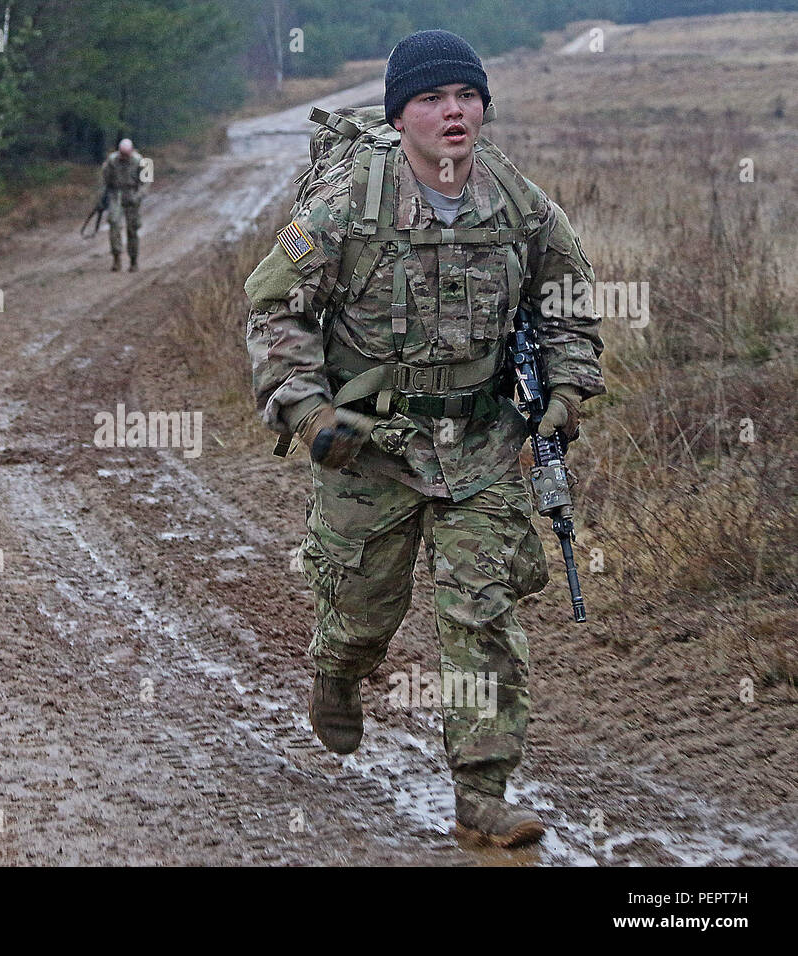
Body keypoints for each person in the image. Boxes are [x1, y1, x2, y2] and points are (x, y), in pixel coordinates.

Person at [243, 29, 606, 848]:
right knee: (365, 610)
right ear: (400, 114)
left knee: (481, 614)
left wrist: (568, 385)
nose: (454, 113)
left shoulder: (516, 199)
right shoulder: (346, 203)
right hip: (371, 444)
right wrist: (307, 412)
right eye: (433, 99)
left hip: (480, 440)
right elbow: (276, 309)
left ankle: (482, 791)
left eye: (467, 97)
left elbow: (568, 297)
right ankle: (338, 670)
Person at [100, 138, 147, 271]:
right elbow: (105, 179)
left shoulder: (142, 161)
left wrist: (138, 196)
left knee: (133, 228)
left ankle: (133, 261)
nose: (124, 157)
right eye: (122, 154)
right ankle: (116, 258)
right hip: (116, 194)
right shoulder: (111, 160)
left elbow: (146, 183)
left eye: (126, 154)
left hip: (132, 193)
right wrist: (103, 197)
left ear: (131, 152)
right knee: (114, 224)